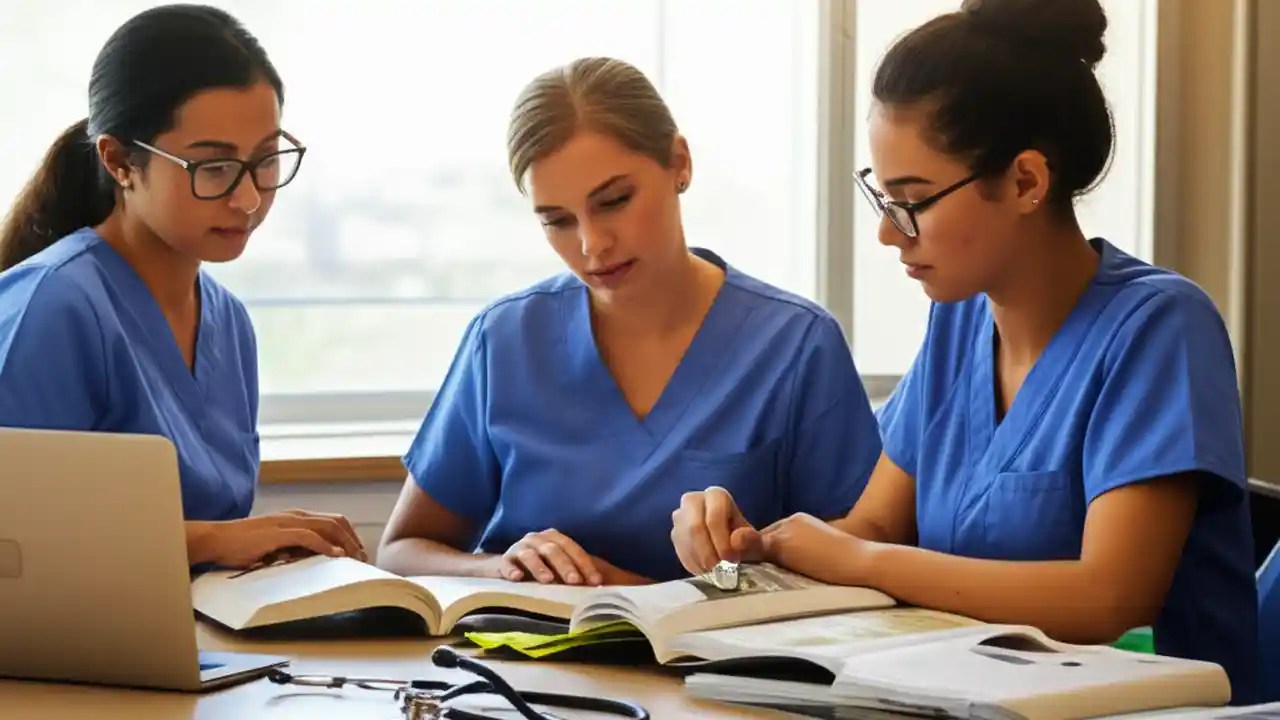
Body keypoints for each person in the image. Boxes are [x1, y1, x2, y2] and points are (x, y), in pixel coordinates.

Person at [671, 0, 1259, 703]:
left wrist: (863, 560)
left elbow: (1109, 598)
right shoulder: (957, 326)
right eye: (881, 198)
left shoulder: (1160, 327)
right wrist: (750, 549)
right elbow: (873, 525)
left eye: (912, 201)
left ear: (1025, 182)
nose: (890, 235)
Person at [377, 57, 882, 586]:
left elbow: (856, 565)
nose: (593, 245)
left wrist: (730, 564)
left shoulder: (796, 346)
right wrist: (497, 567)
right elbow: (400, 551)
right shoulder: (504, 340)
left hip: (713, 665)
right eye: (557, 221)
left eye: (615, 201)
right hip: (521, 660)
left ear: (679, 163)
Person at [0, 4, 365, 569]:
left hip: (206, 643)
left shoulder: (230, 321)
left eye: (266, 160)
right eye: (213, 168)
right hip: (68, 656)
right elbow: (19, 544)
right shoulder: (54, 306)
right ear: (120, 161)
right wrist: (217, 540)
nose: (248, 199)